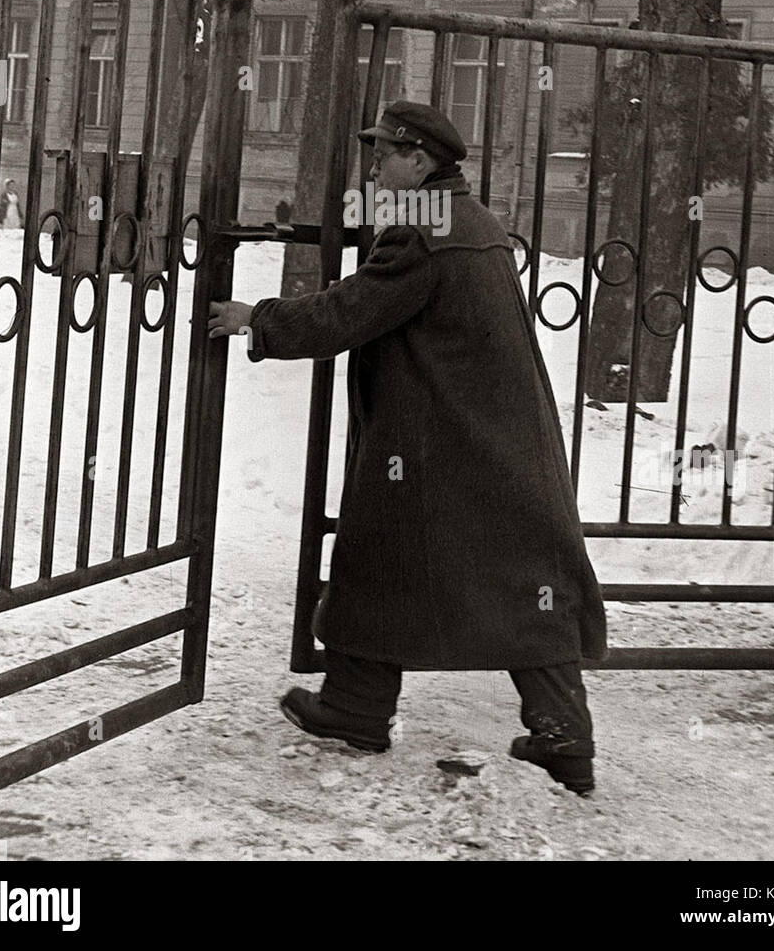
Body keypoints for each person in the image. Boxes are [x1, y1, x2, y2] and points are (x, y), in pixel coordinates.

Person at [208, 99, 608, 794]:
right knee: (514, 581)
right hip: (489, 438)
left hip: (448, 443)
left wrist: (258, 320)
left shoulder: (428, 234)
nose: (373, 164)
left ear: (419, 161)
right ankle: (545, 733)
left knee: (393, 555)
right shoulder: (469, 219)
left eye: (384, 152)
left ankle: (359, 709)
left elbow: (349, 312)